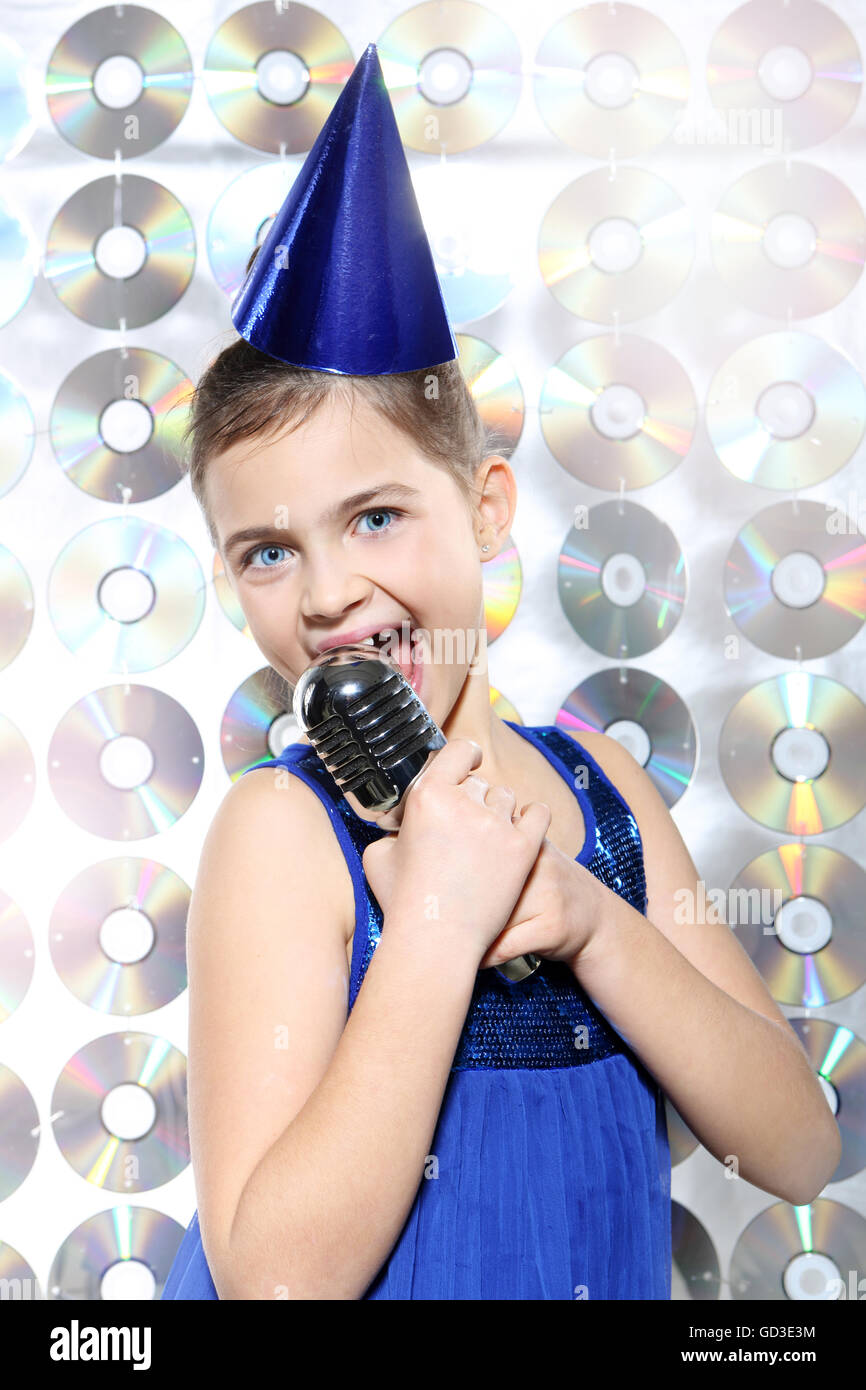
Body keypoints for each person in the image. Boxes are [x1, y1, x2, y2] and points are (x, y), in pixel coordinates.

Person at [161, 46, 841, 1302]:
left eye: (373, 517)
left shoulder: (609, 798)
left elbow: (796, 1150)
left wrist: (587, 920)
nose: (325, 594)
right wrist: (432, 920)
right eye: (268, 550)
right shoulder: (280, 830)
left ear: (484, 507)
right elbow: (275, 1283)